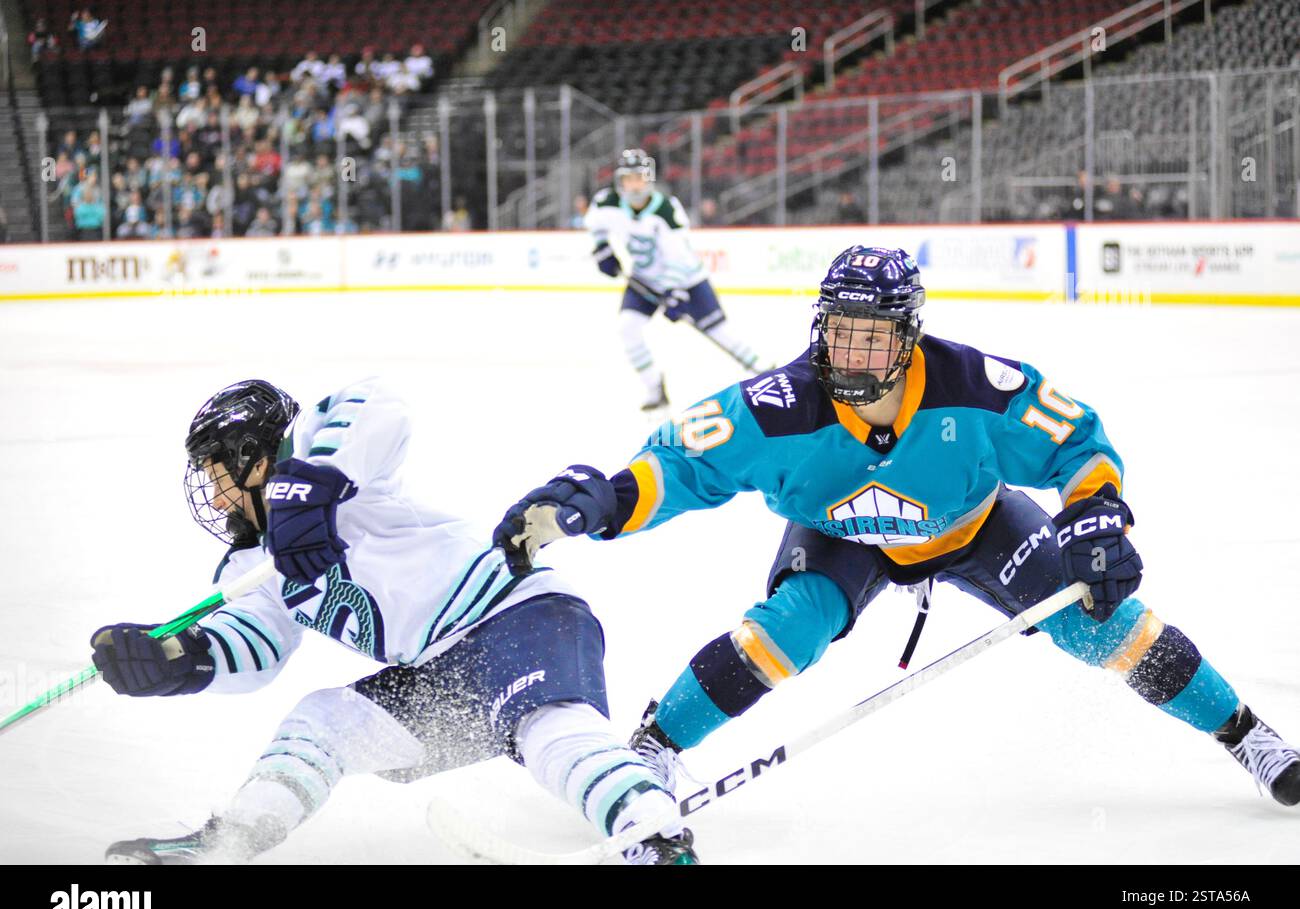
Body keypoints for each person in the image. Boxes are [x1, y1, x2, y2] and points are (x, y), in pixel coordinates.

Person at [495, 245, 1300, 815]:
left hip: (976, 527)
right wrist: (600, 499)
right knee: (788, 630)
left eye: (871, 333)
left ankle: (1250, 739)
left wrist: (1093, 512)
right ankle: (654, 749)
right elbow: (680, 465)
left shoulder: (975, 387)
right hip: (845, 537)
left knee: (1106, 629)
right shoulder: (781, 406)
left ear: (908, 333)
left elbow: (1076, 441)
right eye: (837, 329)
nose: (849, 350)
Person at [93, 379, 697, 865]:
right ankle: (231, 842)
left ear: (251, 455)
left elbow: (377, 407)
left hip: (519, 614)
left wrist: (308, 485)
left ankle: (652, 834)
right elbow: (256, 646)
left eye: (216, 473)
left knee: (545, 726)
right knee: (321, 721)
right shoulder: (254, 561)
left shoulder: (325, 459)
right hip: (440, 676)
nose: (217, 498)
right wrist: (177, 659)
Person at [584, 148, 765, 412]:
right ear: (620, 181)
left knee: (720, 333)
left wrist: (674, 292)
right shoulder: (606, 203)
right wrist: (602, 248)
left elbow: (678, 257)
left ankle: (763, 373)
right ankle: (654, 387)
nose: (634, 185)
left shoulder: (667, 211)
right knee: (627, 328)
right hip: (644, 279)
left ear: (649, 179)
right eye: (628, 179)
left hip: (687, 280)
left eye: (639, 178)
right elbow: (595, 225)